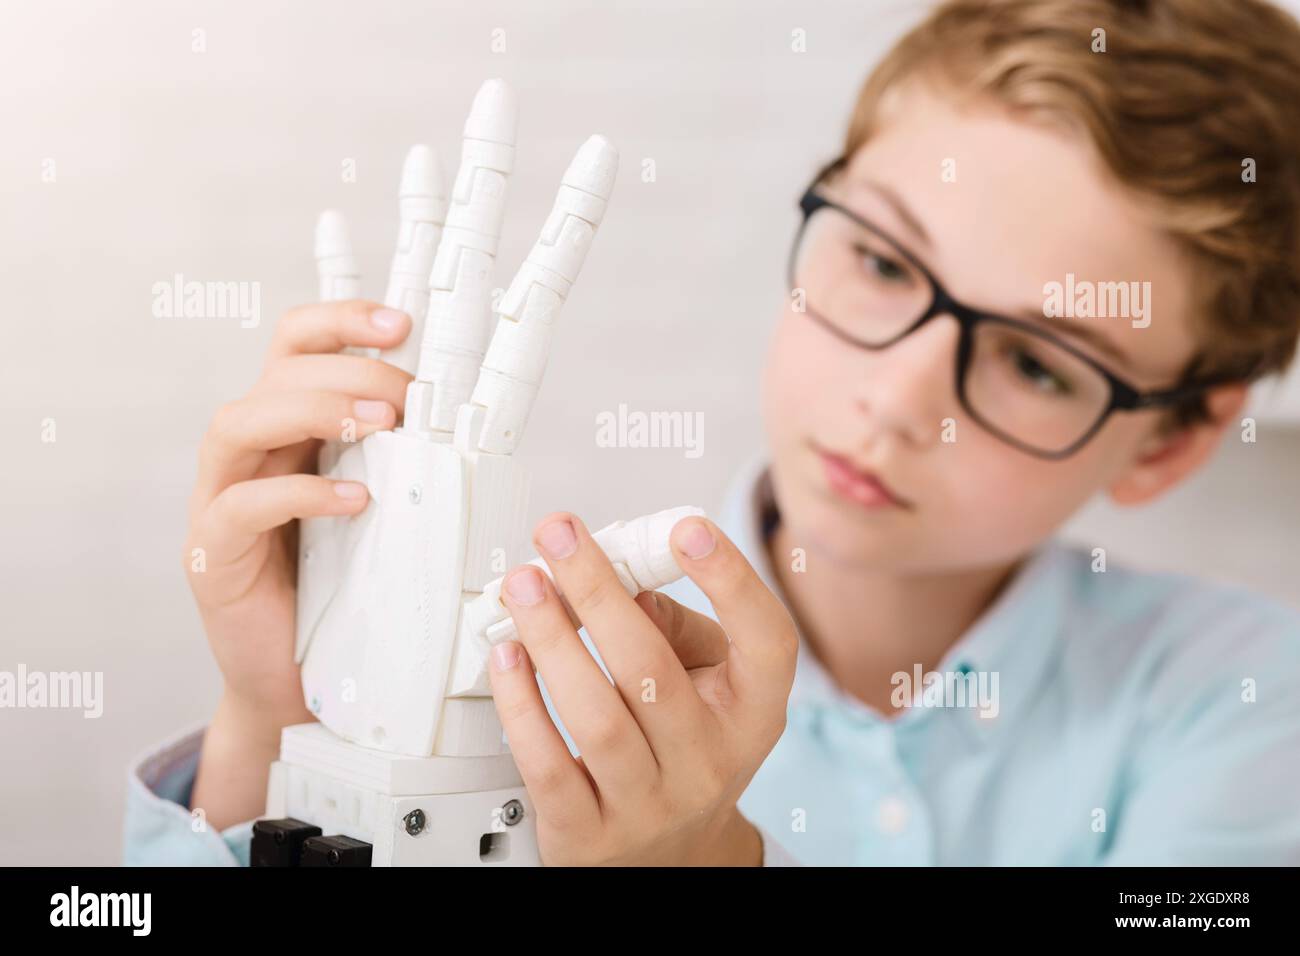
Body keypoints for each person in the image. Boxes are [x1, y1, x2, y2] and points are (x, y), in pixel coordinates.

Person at [124, 0, 1300, 866]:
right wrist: (289, 721)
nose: (894, 399)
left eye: (1040, 361)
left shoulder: (1244, 703)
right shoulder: (495, 669)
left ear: (1168, 443)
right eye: (883, 260)